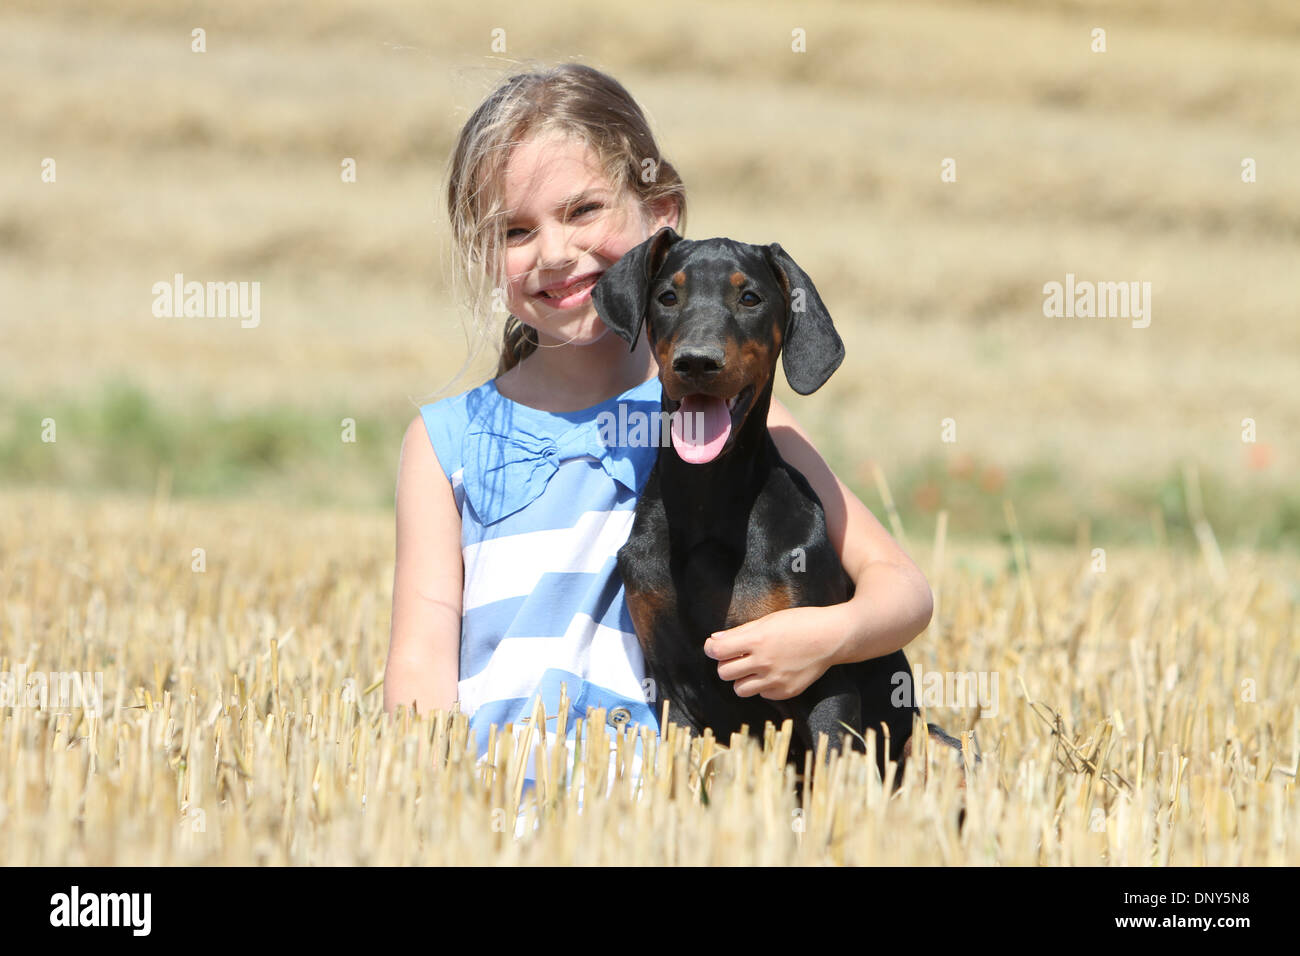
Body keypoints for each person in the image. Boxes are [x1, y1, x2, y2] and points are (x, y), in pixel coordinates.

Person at [382, 62, 935, 803]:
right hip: (495, 803)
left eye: (583, 211)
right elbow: (420, 660)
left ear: (661, 215)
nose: (552, 252)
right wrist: (422, 802)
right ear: (486, 256)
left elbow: (902, 591)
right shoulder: (445, 442)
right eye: (515, 230)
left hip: (659, 808)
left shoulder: (731, 412)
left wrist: (823, 639)